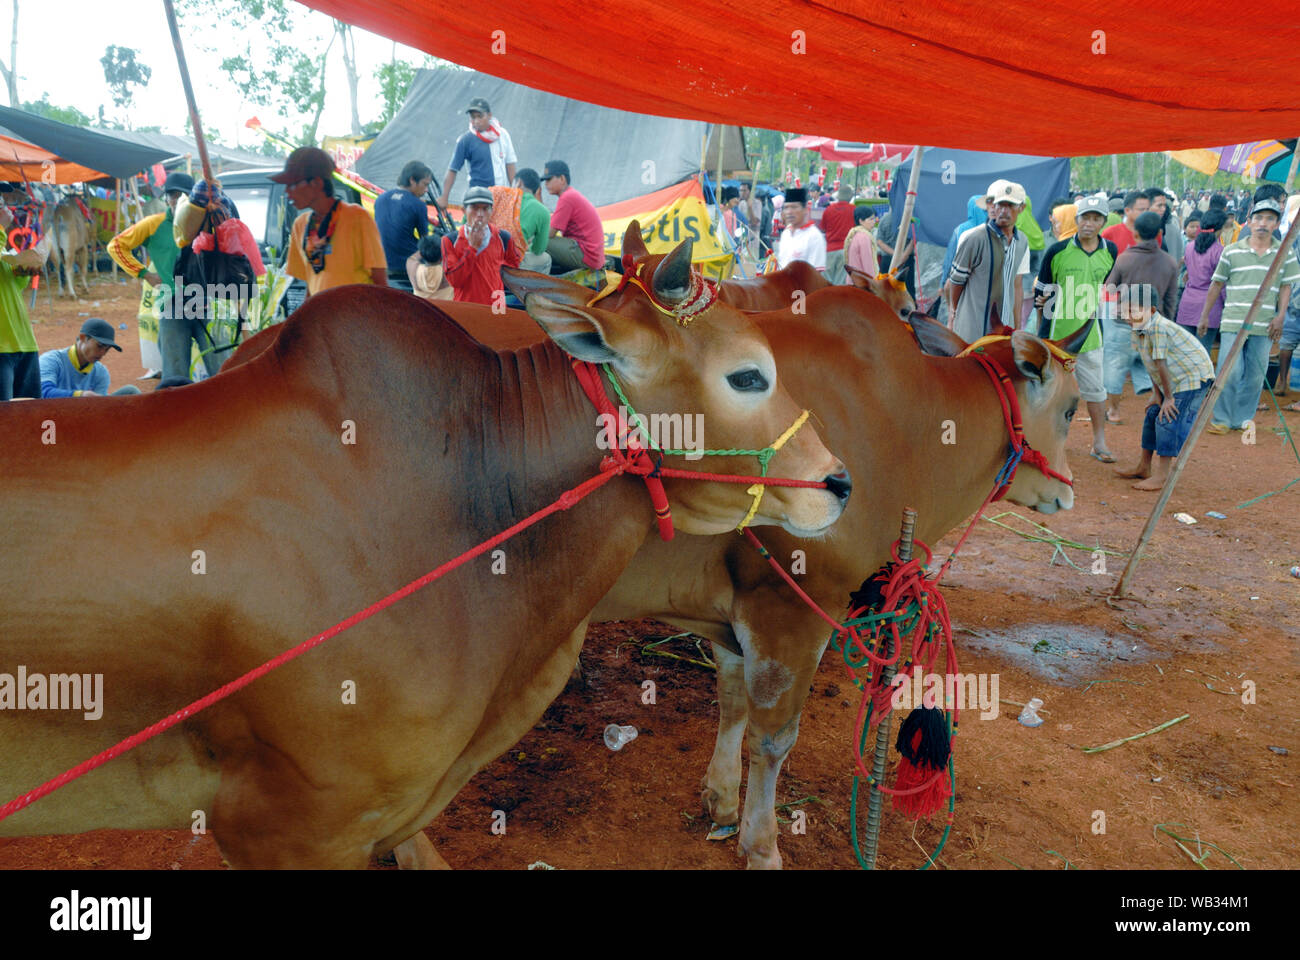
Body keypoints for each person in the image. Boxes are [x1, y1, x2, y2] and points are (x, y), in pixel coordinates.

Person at [1199, 198, 1300, 433]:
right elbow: (1216, 284)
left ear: (1276, 224)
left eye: (1269, 219)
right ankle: (1222, 418)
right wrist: (1205, 315)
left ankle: (1241, 418)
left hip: (1265, 323)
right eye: (1259, 218)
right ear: (1250, 221)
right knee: (1229, 372)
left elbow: (1286, 286)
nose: (1263, 223)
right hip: (1233, 319)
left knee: (1256, 375)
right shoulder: (1232, 251)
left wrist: (1281, 316)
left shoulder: (1284, 253)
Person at [1034, 195, 1118, 462]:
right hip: (1056, 337)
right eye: (1085, 218)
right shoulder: (1056, 251)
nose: (1089, 224)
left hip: (1091, 336)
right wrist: (1041, 335)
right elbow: (1041, 295)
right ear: (1077, 219)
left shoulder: (1111, 251)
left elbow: (1107, 284)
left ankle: (1099, 442)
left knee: (1095, 390)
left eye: (1096, 219)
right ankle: (1047, 441)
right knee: (1051, 392)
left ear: (1103, 222)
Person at [1112, 284, 1214, 491]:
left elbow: (1161, 363)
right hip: (1174, 380)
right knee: (1152, 413)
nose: (1128, 315)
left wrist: (1168, 397)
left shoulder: (1158, 327)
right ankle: (1144, 466)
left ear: (1150, 310)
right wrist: (1156, 394)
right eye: (1126, 310)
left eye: (1133, 310)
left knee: (1168, 417)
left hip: (1193, 378)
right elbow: (1150, 363)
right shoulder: (1139, 329)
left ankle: (1162, 475)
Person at [106, 171, 195, 381]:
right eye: (173, 195)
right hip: (171, 302)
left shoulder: (203, 223)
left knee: (219, 365)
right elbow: (116, 246)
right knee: (174, 374)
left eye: (183, 195)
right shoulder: (153, 224)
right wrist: (144, 273)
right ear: (166, 198)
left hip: (208, 299)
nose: (177, 200)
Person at [277, 147, 388, 300]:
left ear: (317, 183)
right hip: (323, 319)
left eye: (293, 184)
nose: (287, 191)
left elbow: (380, 280)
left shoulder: (357, 217)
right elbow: (313, 282)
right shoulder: (300, 225)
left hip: (356, 318)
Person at [1102, 211, 1175, 424]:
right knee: (1156, 364)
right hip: (1153, 322)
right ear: (1160, 233)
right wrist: (1167, 322)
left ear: (1135, 234)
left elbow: (1110, 287)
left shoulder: (1124, 259)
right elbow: (1171, 300)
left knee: (1115, 366)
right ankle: (1156, 398)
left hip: (1123, 321)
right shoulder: (1169, 263)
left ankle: (1114, 411)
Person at [945, 179, 1030, 341]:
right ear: (992, 206)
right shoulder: (975, 238)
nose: (1004, 210)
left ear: (1021, 208)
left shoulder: (1022, 242)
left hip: (1005, 330)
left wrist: (1017, 327)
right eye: (999, 205)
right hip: (973, 330)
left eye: (1010, 205)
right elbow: (955, 282)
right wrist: (954, 314)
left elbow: (1016, 285)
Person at [441, 186, 522, 304]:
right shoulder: (450, 240)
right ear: (463, 210)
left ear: (491, 211)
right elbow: (455, 281)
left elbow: (513, 271)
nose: (480, 214)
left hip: (496, 307)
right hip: (465, 307)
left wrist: (495, 275)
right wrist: (472, 248)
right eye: (474, 208)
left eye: (485, 209)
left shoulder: (503, 237)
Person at [436, 97, 517, 208]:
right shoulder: (466, 140)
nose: (476, 121)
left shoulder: (502, 135)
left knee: (500, 226)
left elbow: (510, 164)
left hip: (503, 196)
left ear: (489, 115)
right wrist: (445, 197)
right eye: (473, 117)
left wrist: (515, 193)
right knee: (479, 224)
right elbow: (452, 170)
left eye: (480, 116)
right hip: (479, 196)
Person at [38, 318, 141, 397]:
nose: (102, 353)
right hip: (51, 418)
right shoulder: (51, 360)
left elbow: (99, 408)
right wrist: (80, 395)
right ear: (83, 338)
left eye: (107, 349)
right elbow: (43, 392)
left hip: (85, 418)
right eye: (99, 346)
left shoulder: (100, 372)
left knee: (131, 392)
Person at [0, 195, 39, 400]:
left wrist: (24, 273)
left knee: (31, 417)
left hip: (24, 342)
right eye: (1, 206)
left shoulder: (4, 248)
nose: (7, 210)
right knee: (4, 421)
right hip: (2, 346)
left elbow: (11, 287)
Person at [373, 161, 433, 290]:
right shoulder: (418, 205)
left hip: (383, 266)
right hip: (407, 269)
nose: (426, 190)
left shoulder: (380, 199)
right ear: (412, 180)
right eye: (425, 184)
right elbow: (425, 241)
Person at [540, 160, 605, 273]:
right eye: (545, 181)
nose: (546, 184)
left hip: (587, 256)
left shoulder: (567, 198)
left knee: (539, 240)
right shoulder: (570, 195)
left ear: (562, 179)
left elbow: (549, 233)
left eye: (549, 179)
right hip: (590, 254)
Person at [1174, 209, 1226, 354]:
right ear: (1219, 229)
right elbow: (1221, 286)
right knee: (1202, 354)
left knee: (1184, 353)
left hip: (1188, 303)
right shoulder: (1220, 251)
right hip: (1210, 307)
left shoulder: (1190, 247)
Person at [775, 186, 826, 272]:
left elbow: (816, 274)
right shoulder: (786, 234)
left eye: (794, 207)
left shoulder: (814, 236)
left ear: (805, 210)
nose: (789, 212)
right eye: (786, 207)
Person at [512, 168, 553, 274]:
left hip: (483, 258)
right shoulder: (542, 211)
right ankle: (532, 290)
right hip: (510, 264)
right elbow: (538, 249)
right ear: (537, 190)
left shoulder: (498, 197)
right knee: (546, 259)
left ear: (518, 182)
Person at [942, 194, 988, 286]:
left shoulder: (960, 230)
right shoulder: (993, 229)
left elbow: (950, 258)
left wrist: (942, 282)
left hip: (961, 280)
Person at [820, 185, 856, 284]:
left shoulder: (829, 209)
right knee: (840, 282)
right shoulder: (854, 210)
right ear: (850, 197)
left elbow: (823, 228)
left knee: (826, 281)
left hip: (830, 249)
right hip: (845, 250)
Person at [406, 234, 454, 301]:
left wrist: (425, 248)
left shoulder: (412, 267)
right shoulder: (450, 270)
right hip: (445, 310)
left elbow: (414, 257)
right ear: (441, 257)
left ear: (421, 255)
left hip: (421, 310)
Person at [1101, 190, 1149, 256]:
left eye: (1147, 210)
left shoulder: (1153, 234)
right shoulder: (1110, 233)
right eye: (1141, 210)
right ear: (1127, 210)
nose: (1146, 213)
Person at [1145, 187, 1181, 266]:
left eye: (1164, 206)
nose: (1163, 209)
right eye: (1159, 206)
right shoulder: (1137, 230)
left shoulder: (1159, 229)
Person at [843, 205, 880, 279]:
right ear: (861, 221)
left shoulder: (856, 234)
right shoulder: (864, 237)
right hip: (862, 282)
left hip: (855, 279)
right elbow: (868, 264)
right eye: (871, 219)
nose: (874, 221)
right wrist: (874, 283)